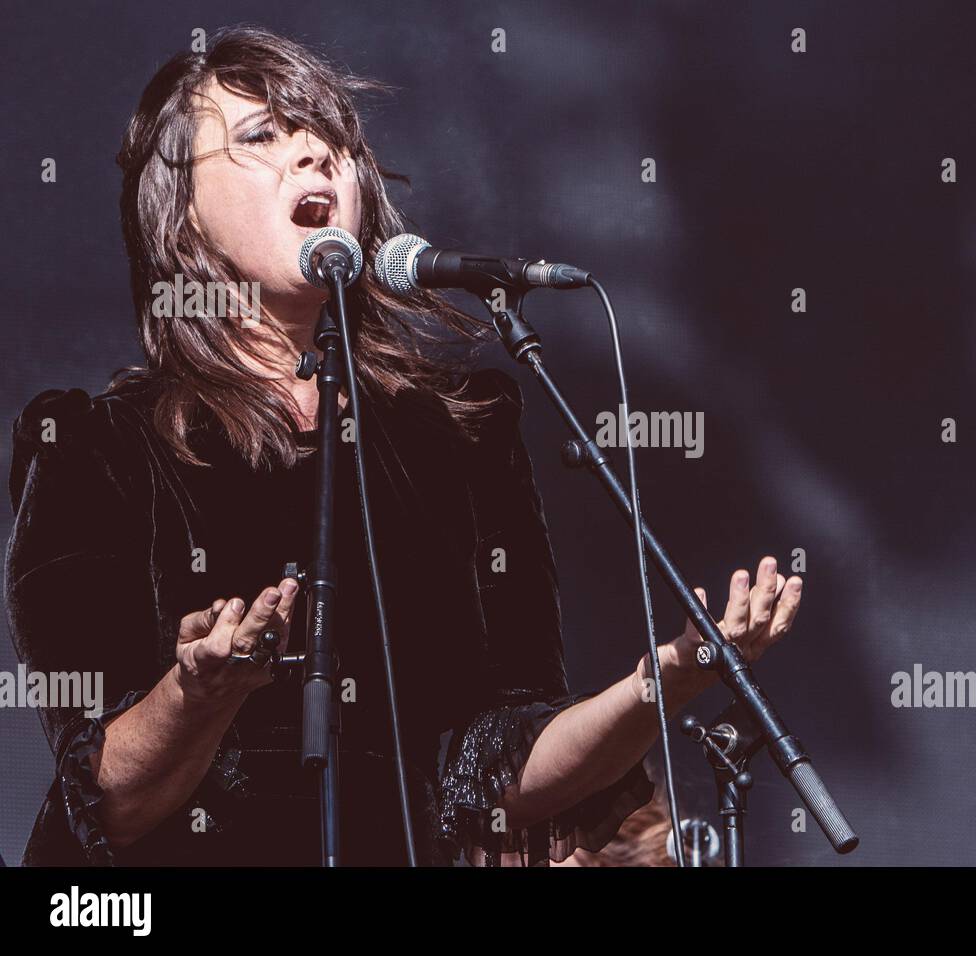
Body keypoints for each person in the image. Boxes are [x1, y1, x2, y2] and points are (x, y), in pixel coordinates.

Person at [4, 25, 802, 866]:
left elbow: (497, 768)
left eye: (332, 139)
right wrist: (199, 693)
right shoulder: (94, 451)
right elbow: (105, 802)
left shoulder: (461, 438)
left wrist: (665, 679)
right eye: (262, 136)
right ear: (182, 219)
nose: (315, 155)